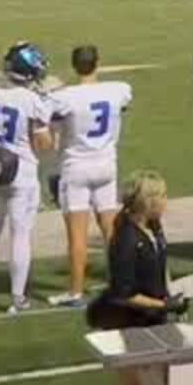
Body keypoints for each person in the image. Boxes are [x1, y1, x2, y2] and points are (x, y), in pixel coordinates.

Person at [48, 46, 134, 307]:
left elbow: (50, 118)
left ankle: (76, 292)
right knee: (111, 231)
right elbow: (124, 105)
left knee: (78, 236)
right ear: (98, 63)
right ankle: (122, 285)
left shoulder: (65, 96)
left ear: (74, 66)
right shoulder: (118, 89)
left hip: (77, 168)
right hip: (106, 166)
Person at [94, 172, 190, 385]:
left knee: (165, 380)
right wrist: (162, 306)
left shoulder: (155, 227)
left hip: (155, 316)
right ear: (149, 201)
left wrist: (171, 295)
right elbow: (124, 294)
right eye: (163, 196)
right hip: (130, 321)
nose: (167, 201)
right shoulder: (126, 240)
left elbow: (161, 263)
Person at [0, 44, 53, 314]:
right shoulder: (33, 101)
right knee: (20, 235)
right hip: (21, 172)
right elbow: (44, 144)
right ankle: (17, 297)